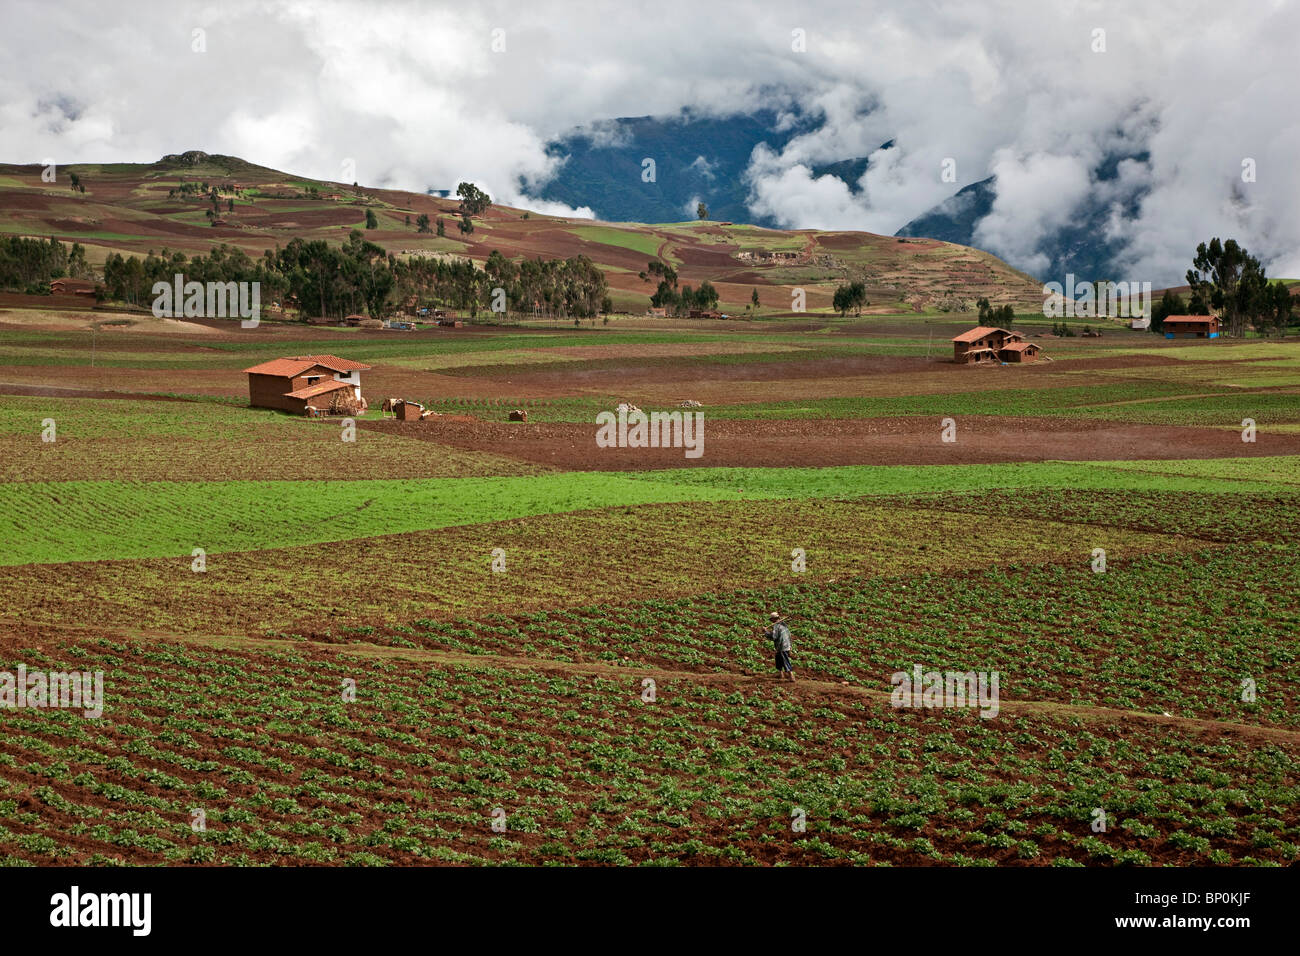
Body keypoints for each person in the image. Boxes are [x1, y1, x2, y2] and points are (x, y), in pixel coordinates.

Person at [766, 611, 794, 681]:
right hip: (786, 645)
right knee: (778, 659)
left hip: (782, 646)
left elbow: (774, 637)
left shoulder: (776, 626)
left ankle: (791, 676)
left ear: (773, 619)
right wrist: (790, 646)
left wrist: (766, 632)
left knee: (785, 660)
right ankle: (781, 674)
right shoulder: (784, 625)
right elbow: (789, 635)